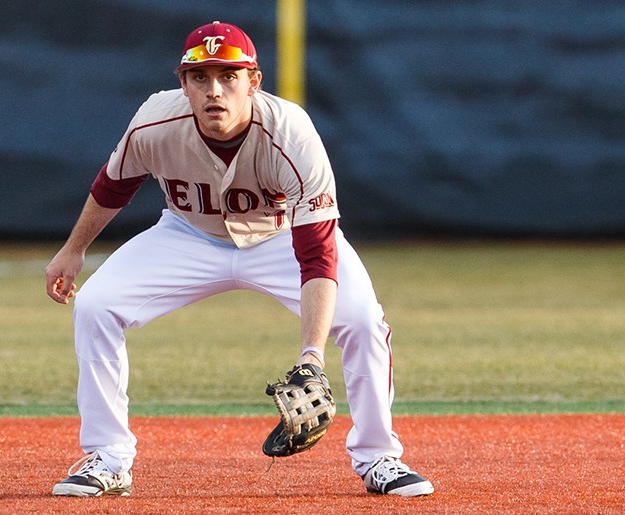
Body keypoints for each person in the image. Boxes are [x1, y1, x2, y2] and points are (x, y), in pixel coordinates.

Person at [45, 21, 433, 498]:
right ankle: (108, 457)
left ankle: (379, 458)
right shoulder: (154, 122)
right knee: (96, 305)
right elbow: (114, 185)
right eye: (200, 77)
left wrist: (311, 355)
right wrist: (73, 249)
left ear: (254, 81)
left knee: (361, 320)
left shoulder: (291, 135)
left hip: (281, 238)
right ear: (182, 84)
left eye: (229, 76)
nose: (215, 90)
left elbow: (315, 254)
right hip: (188, 235)